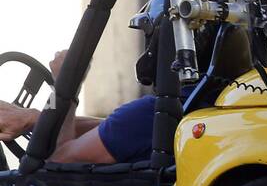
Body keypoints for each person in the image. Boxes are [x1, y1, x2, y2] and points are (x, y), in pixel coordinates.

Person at [0, 49, 155, 164]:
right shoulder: (162, 115)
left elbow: (59, 163)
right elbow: (109, 129)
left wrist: (67, 85)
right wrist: (35, 118)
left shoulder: (146, 113)